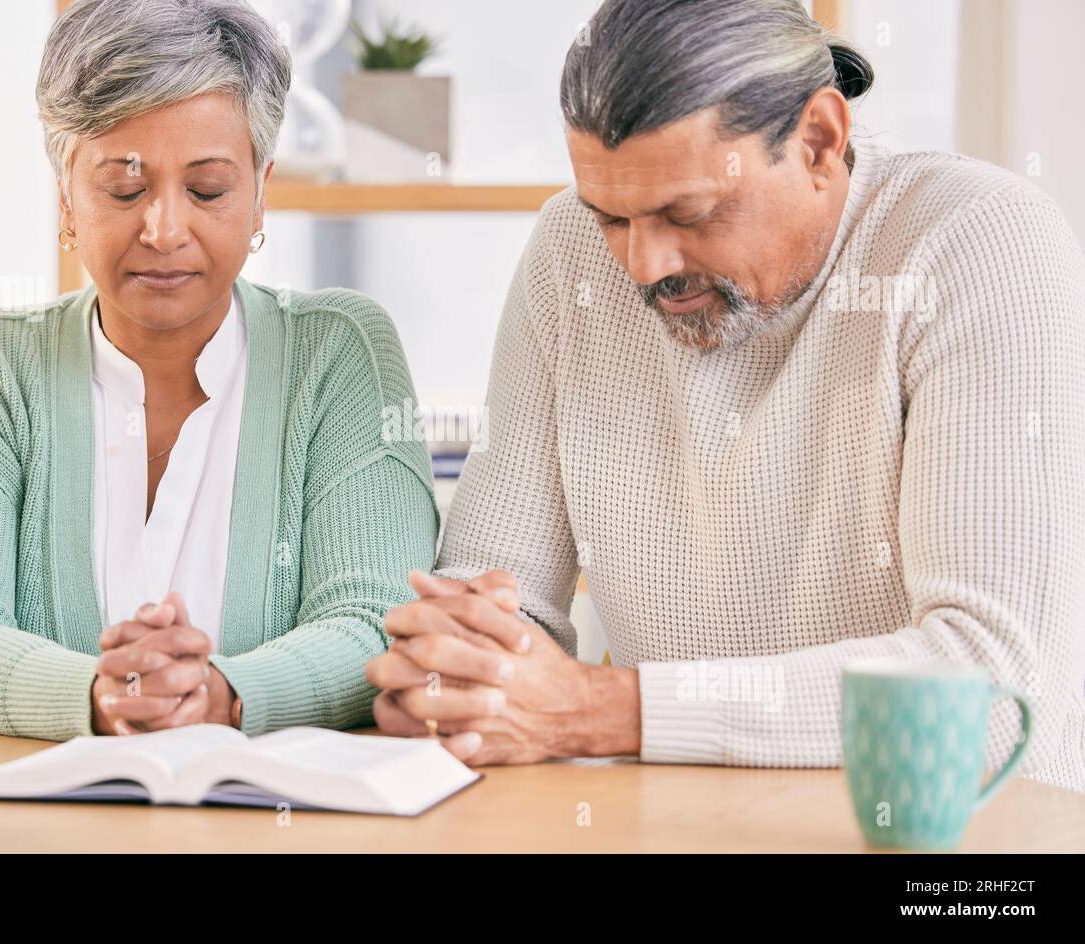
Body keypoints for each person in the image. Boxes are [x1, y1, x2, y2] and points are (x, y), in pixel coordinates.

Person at [368, 0, 1085, 792]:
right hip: (677, 824)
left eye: (690, 213)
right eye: (610, 216)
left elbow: (993, 687)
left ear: (819, 140)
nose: (643, 265)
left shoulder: (978, 241)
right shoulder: (570, 255)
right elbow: (500, 597)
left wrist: (611, 710)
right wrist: (459, 674)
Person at [0, 0, 437, 740]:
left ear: (260, 192)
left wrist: (223, 693)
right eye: (124, 188)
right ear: (66, 197)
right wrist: (98, 694)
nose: (166, 230)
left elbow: (377, 621)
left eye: (208, 190)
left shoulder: (340, 354)